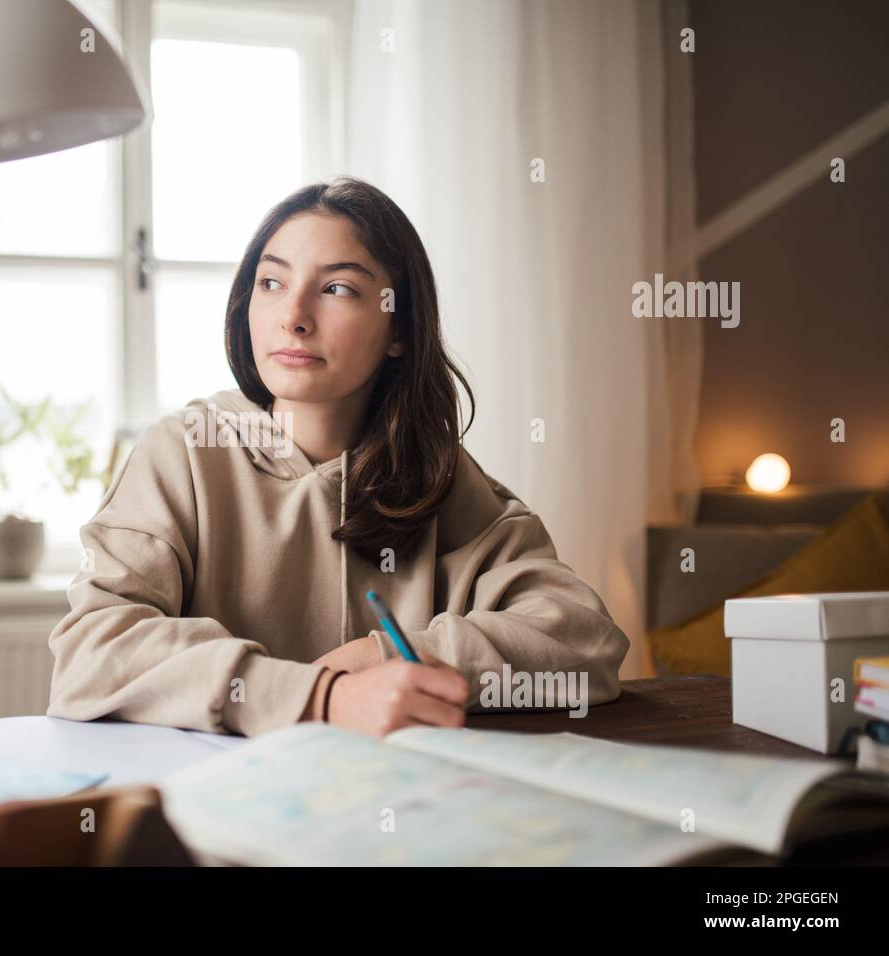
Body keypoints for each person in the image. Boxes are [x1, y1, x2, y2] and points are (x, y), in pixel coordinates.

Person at [47, 176, 629, 738]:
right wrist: (322, 697)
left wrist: (393, 658)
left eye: (337, 289)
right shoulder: (184, 453)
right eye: (271, 283)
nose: (293, 316)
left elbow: (587, 644)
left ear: (399, 328)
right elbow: (90, 654)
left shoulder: (439, 478)